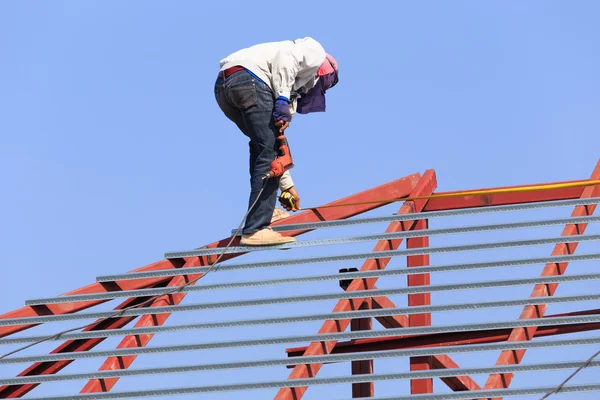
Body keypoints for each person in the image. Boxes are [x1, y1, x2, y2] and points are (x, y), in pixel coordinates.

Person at [214, 37, 339, 246]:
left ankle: (266, 211)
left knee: (262, 146)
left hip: (225, 87)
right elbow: (286, 57)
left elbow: (275, 148)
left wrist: (287, 187)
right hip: (250, 79)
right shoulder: (315, 52)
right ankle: (255, 229)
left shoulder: (287, 89)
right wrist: (281, 98)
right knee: (266, 148)